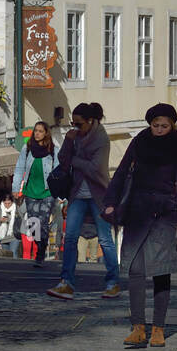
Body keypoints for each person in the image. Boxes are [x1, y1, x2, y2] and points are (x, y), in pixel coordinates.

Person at [103, 103, 177, 348]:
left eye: (164, 126)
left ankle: (159, 329)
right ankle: (138, 327)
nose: (159, 130)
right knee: (135, 269)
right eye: (155, 125)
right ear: (149, 124)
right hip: (137, 211)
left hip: (165, 213)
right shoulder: (140, 140)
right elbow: (121, 171)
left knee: (162, 271)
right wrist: (110, 201)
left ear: (172, 125)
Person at [46, 102, 121, 300]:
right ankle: (66, 282)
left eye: (79, 124)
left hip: (98, 194)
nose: (75, 127)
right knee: (70, 237)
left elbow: (95, 169)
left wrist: (74, 161)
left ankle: (113, 282)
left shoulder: (101, 139)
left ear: (90, 121)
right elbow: (62, 160)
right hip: (77, 193)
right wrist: (69, 143)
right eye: (73, 123)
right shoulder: (74, 137)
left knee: (105, 239)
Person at [13, 120, 57, 266]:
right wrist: (15, 188)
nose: (37, 133)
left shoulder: (53, 149)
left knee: (43, 222)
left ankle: (40, 254)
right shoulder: (27, 148)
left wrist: (60, 190)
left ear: (46, 134)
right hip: (30, 192)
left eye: (40, 131)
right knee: (33, 225)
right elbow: (19, 168)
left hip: (47, 191)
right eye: (36, 131)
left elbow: (58, 170)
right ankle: (41, 245)